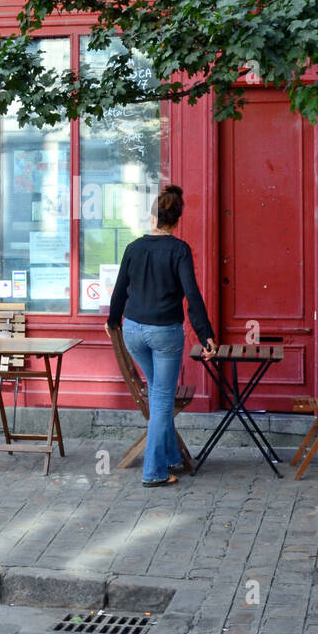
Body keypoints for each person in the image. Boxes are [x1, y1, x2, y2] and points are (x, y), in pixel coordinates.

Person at [107, 185, 216, 487]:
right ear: (176, 220)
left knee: (157, 393)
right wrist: (206, 335)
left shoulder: (133, 248)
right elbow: (191, 297)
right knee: (163, 400)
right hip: (165, 333)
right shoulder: (179, 250)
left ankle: (170, 457)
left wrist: (112, 320)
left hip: (132, 331)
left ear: (153, 216)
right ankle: (154, 472)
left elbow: (119, 291)